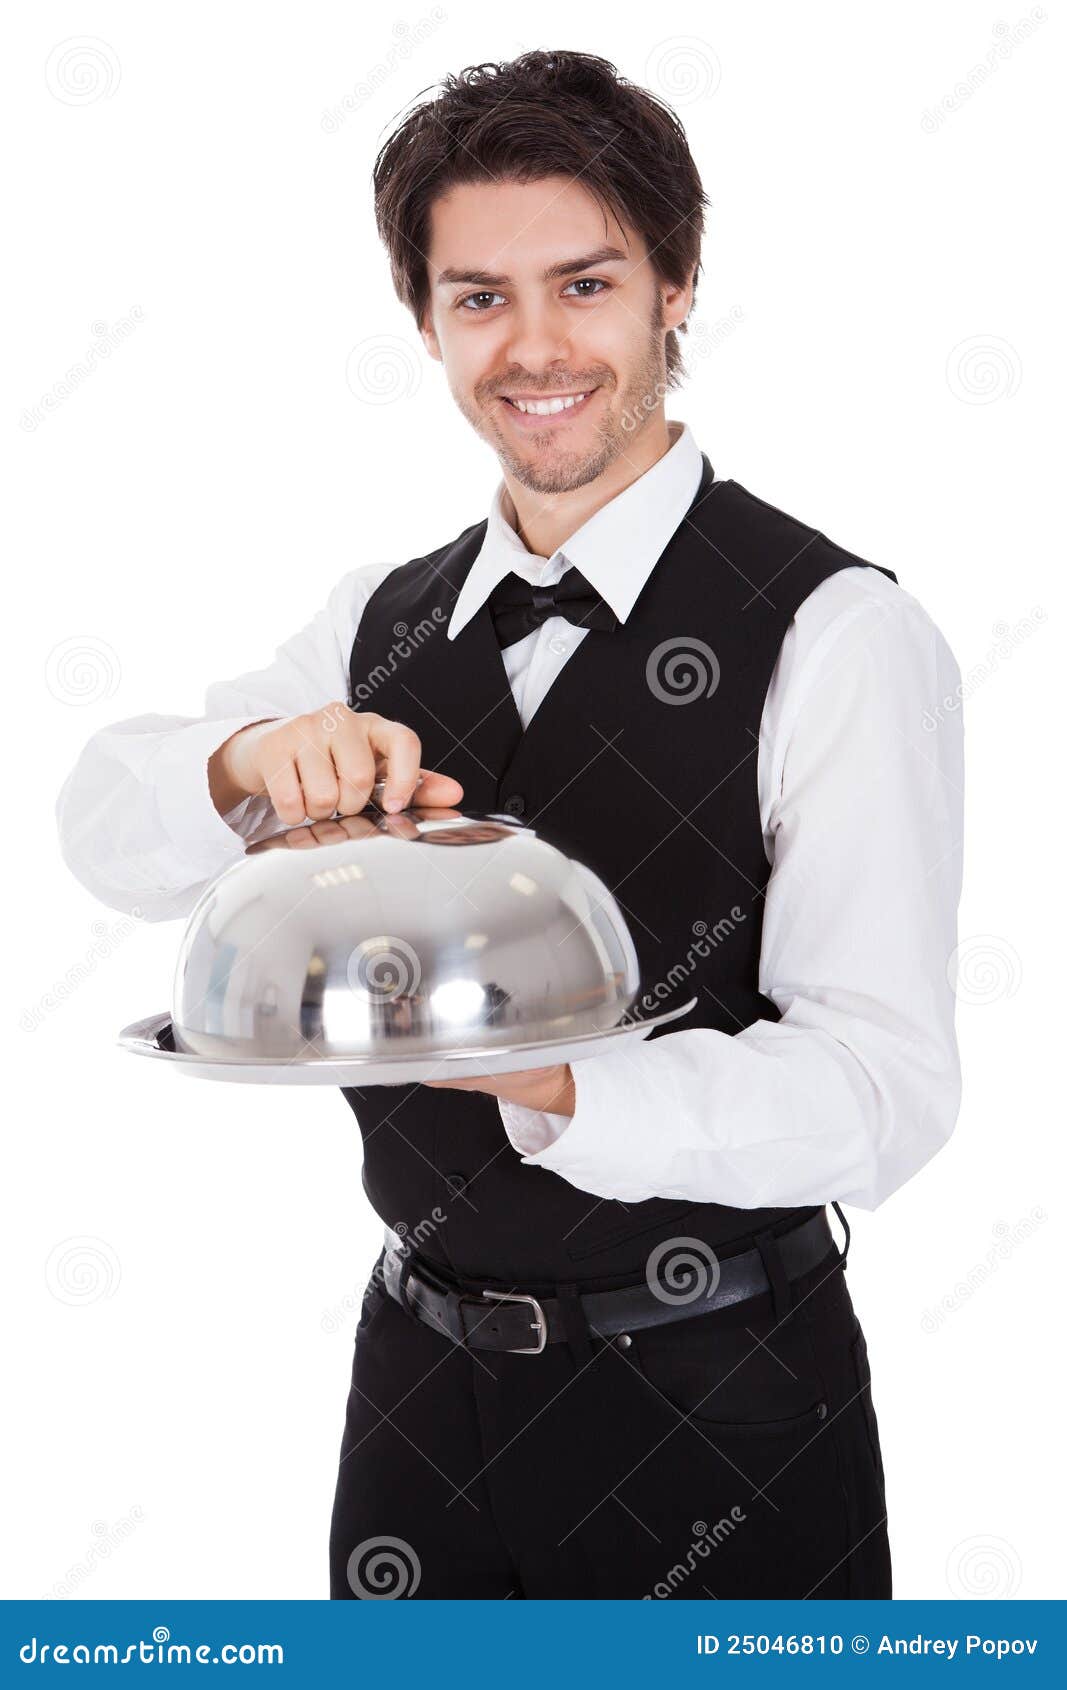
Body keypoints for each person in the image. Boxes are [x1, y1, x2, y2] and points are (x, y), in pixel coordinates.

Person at [56, 49, 964, 1599]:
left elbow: (885, 1089)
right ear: (424, 319)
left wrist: (561, 1084)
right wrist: (254, 757)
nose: (534, 347)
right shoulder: (381, 617)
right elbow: (104, 826)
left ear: (677, 286)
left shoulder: (838, 632)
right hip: (417, 1390)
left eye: (585, 284)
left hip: (722, 1400)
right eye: (480, 296)